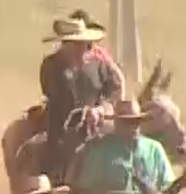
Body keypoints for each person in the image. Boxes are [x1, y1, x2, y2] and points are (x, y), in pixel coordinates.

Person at [39, 16, 123, 178]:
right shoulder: (51, 66)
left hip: (98, 128)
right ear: (65, 45)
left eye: (83, 45)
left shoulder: (99, 66)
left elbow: (114, 89)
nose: (82, 49)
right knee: (55, 161)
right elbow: (55, 95)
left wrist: (101, 108)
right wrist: (82, 113)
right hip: (62, 132)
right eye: (76, 45)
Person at [69, 97, 175, 194]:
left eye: (137, 121)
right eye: (127, 122)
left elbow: (169, 188)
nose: (133, 127)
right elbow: (85, 192)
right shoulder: (100, 149)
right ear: (116, 123)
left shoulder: (154, 149)